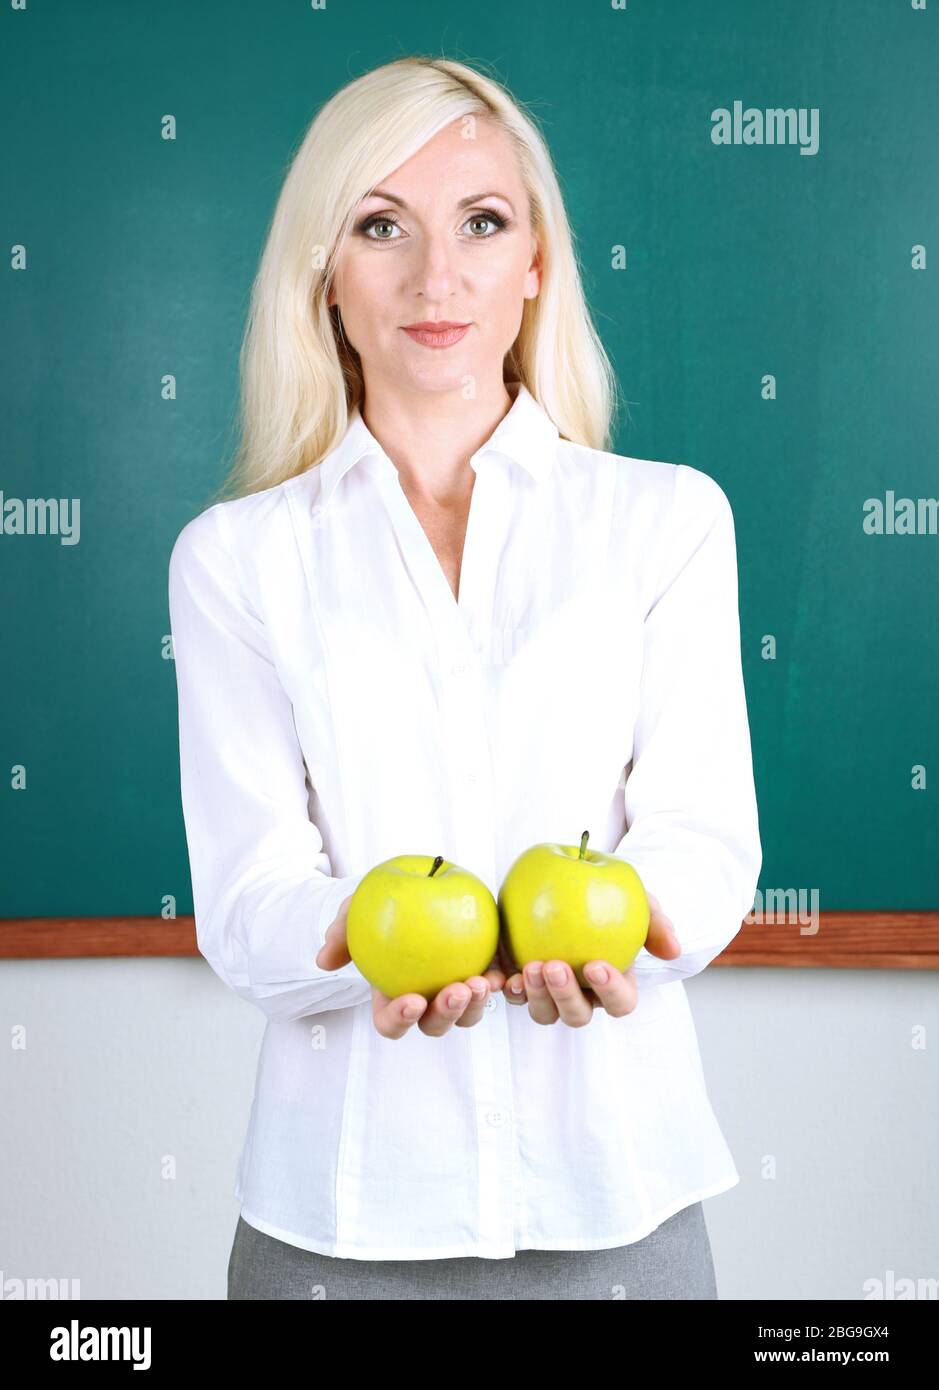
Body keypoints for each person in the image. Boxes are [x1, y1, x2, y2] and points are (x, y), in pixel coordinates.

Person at [168, 55, 762, 1300]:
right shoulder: (237, 558)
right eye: (381, 226)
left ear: (536, 262)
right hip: (337, 1220)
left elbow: (705, 844)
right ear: (324, 273)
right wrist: (367, 938)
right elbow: (247, 897)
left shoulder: (668, 521)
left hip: (621, 1202)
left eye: (482, 223)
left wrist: (617, 936)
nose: (436, 278)